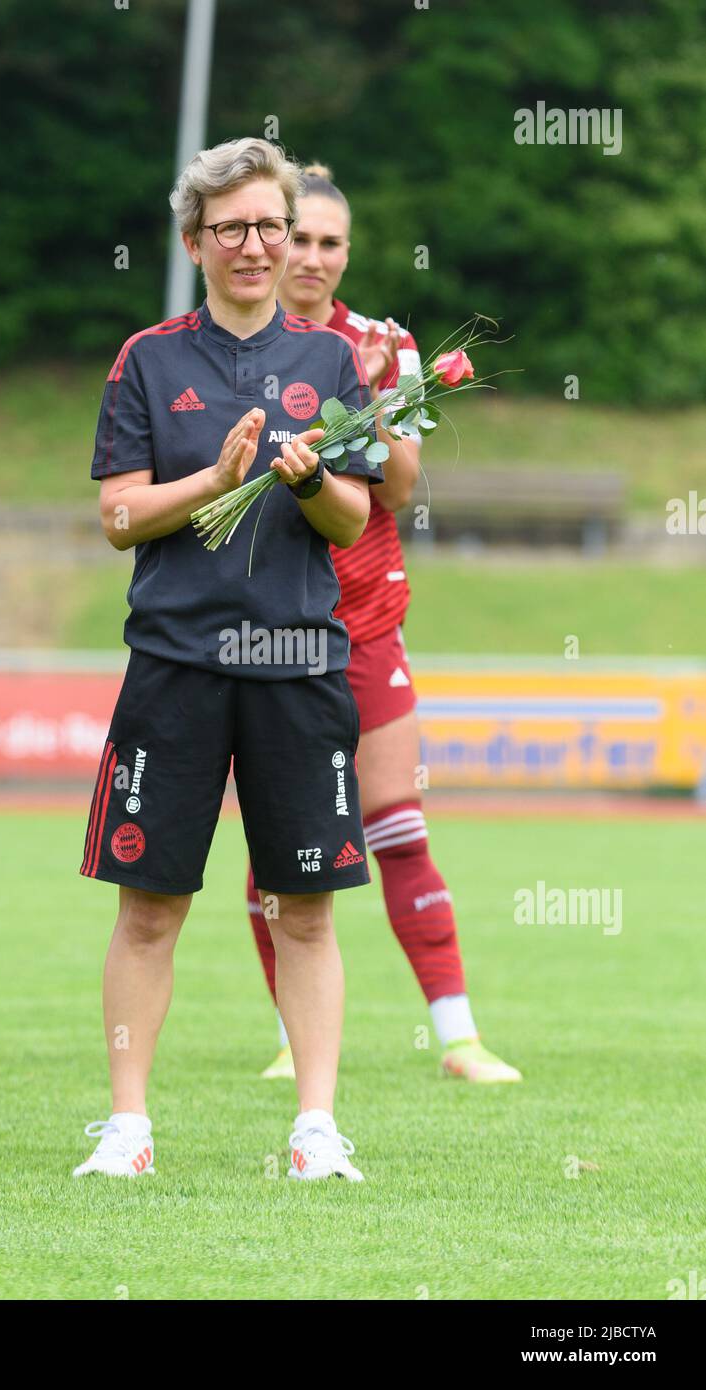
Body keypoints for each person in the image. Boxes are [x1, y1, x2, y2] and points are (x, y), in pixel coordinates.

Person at [73, 138, 387, 1184]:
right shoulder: (147, 359)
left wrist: (305, 480)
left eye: (270, 226)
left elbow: (351, 522)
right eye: (232, 229)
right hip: (176, 663)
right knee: (150, 904)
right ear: (193, 241)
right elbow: (119, 517)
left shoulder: (332, 363)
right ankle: (127, 1127)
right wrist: (214, 476)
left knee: (304, 908)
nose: (254, 246)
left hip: (299, 666)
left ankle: (314, 1128)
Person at [247, 165, 522, 1085]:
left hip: (363, 617)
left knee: (397, 825)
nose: (311, 259)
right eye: (299, 239)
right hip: (263, 621)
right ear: (269, 239)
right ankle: (294, 1037)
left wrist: (368, 400)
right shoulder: (238, 342)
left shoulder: (384, 343)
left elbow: (397, 489)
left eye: (331, 244)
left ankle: (458, 1037)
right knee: (276, 842)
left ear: (346, 253)